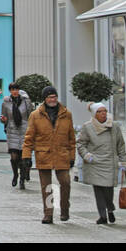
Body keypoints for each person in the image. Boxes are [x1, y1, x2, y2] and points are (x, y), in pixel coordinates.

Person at [21, 85, 76, 224]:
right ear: (44, 99)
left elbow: (71, 138)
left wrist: (72, 157)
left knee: (65, 182)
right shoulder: (35, 115)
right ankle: (48, 213)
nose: (53, 99)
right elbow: (29, 138)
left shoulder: (66, 114)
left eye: (54, 96)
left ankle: (64, 209)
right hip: (43, 154)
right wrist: (26, 156)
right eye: (50, 97)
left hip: (61, 154)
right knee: (47, 187)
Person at [77, 102, 126, 225]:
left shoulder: (114, 126)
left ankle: (110, 208)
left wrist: (123, 160)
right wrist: (86, 155)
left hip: (109, 161)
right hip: (94, 162)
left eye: (104, 110)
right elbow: (80, 143)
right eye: (100, 111)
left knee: (108, 188)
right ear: (95, 114)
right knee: (98, 189)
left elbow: (120, 144)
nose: (103, 113)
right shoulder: (87, 127)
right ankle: (102, 215)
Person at [1, 82, 33, 190]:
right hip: (12, 131)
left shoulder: (26, 102)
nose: (14, 91)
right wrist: (3, 120)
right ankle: (15, 174)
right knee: (14, 157)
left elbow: (31, 116)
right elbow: (3, 116)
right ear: (10, 91)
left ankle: (22, 179)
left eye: (16, 89)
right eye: (12, 89)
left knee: (24, 158)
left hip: (24, 131)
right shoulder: (6, 102)